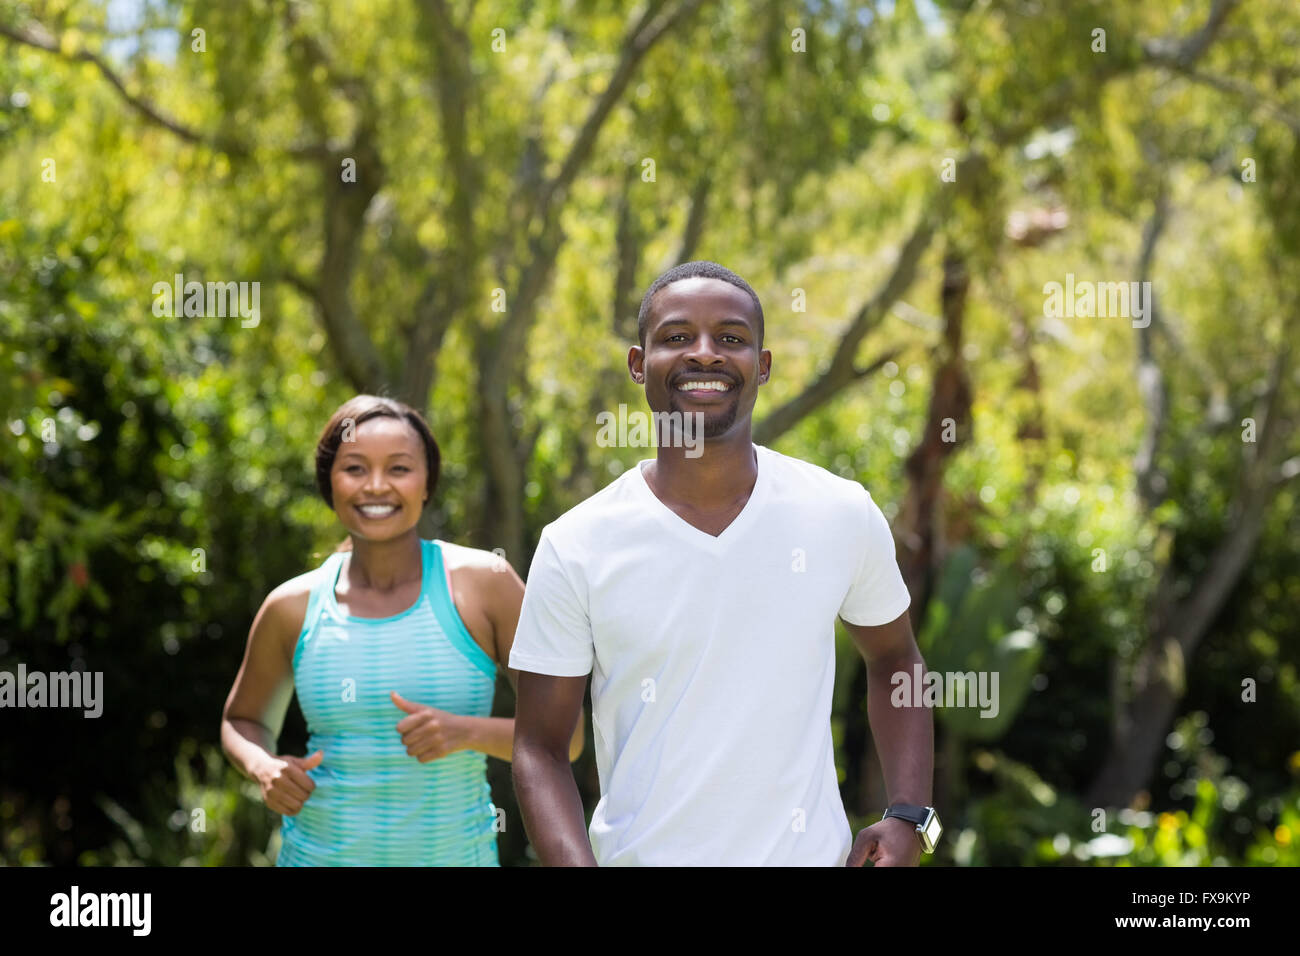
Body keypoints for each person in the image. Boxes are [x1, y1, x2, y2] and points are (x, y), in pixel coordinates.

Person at [509, 261, 936, 866]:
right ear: (639, 364)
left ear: (761, 366)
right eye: (677, 337)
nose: (705, 354)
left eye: (731, 338)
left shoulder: (838, 512)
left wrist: (910, 816)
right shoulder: (577, 543)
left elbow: (896, 659)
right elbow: (539, 748)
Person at [221, 395, 582, 865]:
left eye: (398, 469)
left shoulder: (483, 584)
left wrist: (465, 731)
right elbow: (241, 721)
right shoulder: (291, 606)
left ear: (427, 482)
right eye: (354, 468)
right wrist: (264, 767)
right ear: (329, 482)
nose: (375, 486)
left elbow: (567, 738)